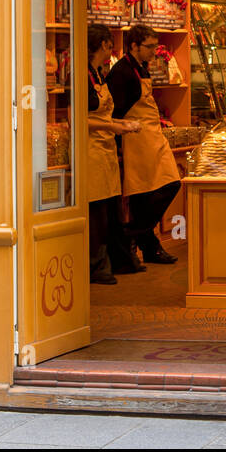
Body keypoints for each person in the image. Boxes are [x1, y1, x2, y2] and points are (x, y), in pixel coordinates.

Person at [107, 23, 182, 266]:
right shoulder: (121, 72)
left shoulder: (141, 67)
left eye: (155, 46)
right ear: (134, 46)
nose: (154, 51)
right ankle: (143, 240)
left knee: (168, 184)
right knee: (155, 190)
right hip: (136, 140)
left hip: (152, 136)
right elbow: (114, 111)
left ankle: (140, 238)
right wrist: (120, 136)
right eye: (149, 47)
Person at [85, 24, 139, 284]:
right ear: (103, 45)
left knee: (110, 208)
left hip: (105, 148)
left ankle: (114, 261)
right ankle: (97, 266)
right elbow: (80, 121)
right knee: (97, 210)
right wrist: (115, 125)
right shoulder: (82, 77)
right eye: (109, 45)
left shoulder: (98, 73)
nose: (112, 50)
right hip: (90, 150)